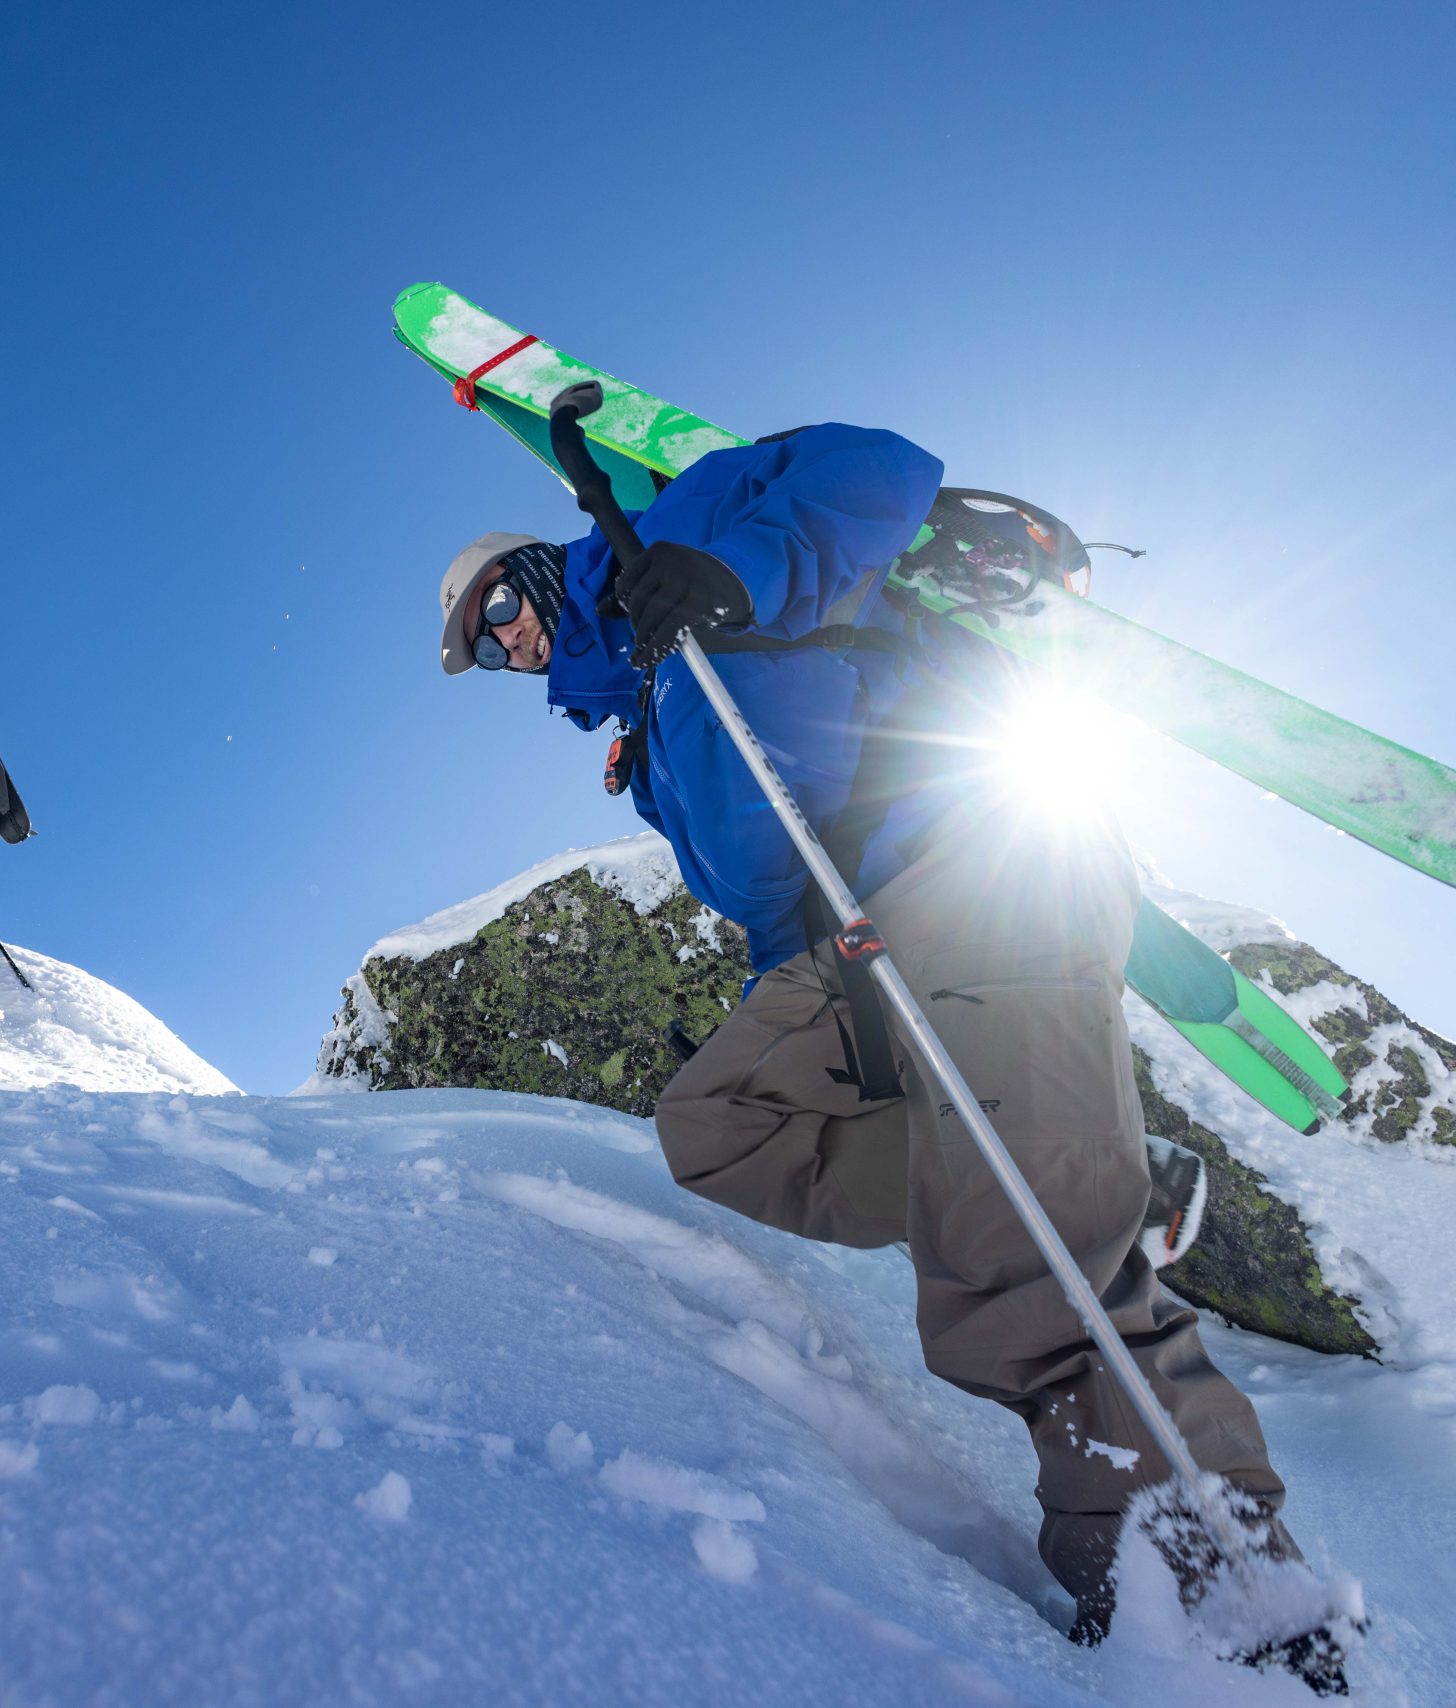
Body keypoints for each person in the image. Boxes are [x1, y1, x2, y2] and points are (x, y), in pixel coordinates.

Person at [436, 425, 1294, 1641]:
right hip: (857, 939)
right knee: (719, 1123)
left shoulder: (672, 535)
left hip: (970, 869)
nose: (506, 647)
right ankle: (1076, 1170)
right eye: (486, 652)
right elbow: (770, 871)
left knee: (1022, 1291)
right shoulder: (647, 723)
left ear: (526, 573)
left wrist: (733, 579)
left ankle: (1221, 1608)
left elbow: (882, 467)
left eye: (495, 616)